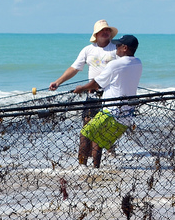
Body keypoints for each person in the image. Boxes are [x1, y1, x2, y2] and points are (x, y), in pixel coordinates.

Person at [50, 20, 118, 165]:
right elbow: (74, 68)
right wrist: (58, 82)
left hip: (110, 95)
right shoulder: (88, 50)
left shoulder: (116, 49)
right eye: (102, 30)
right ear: (96, 34)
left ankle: (100, 161)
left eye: (107, 30)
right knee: (87, 129)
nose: (106, 32)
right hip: (92, 95)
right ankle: (83, 165)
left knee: (102, 130)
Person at [73, 35, 142, 168]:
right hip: (127, 116)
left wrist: (81, 88)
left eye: (118, 45)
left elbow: (96, 83)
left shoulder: (115, 64)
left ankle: (81, 168)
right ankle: (95, 169)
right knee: (97, 140)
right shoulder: (138, 62)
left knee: (85, 133)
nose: (115, 47)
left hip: (111, 113)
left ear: (125, 48)